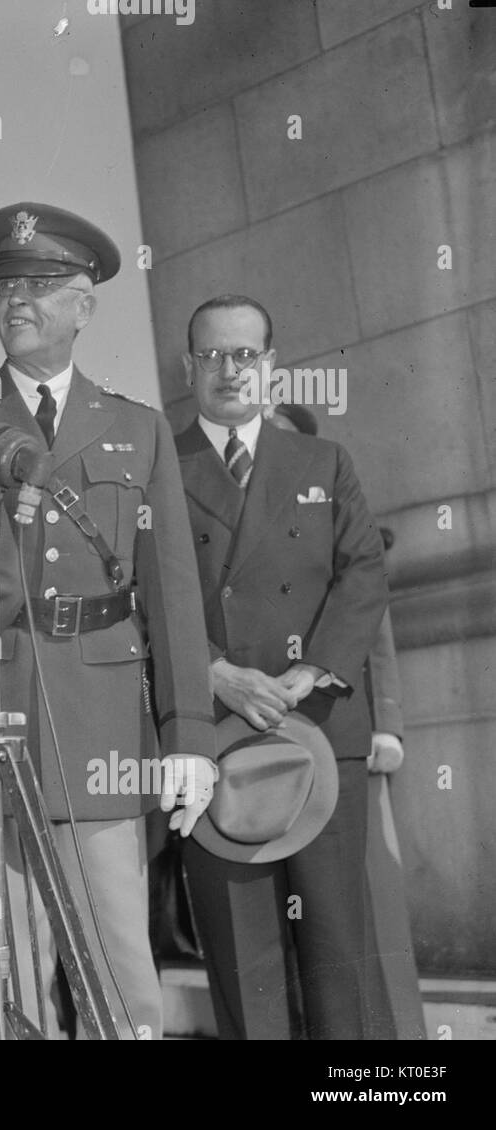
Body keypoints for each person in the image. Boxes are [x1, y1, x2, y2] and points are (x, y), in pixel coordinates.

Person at [0, 203, 217, 1040]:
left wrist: (191, 741)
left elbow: (172, 595)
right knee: (14, 973)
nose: (17, 299)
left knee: (120, 967)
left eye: (40, 284)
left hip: (103, 729)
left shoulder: (137, 429)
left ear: (84, 305)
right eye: (7, 284)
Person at [176, 294, 389, 1039]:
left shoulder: (323, 461)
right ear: (188, 366)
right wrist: (213, 672)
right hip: (216, 733)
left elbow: (363, 573)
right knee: (245, 957)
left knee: (337, 949)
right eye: (212, 355)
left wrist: (309, 673)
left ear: (269, 366)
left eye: (245, 355)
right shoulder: (158, 469)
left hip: (319, 727)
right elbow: (139, 597)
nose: (228, 371)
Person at [269, 404, 425, 1039]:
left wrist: (388, 723)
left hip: (344, 734)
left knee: (368, 901)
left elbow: (374, 632)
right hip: (273, 743)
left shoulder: (335, 515)